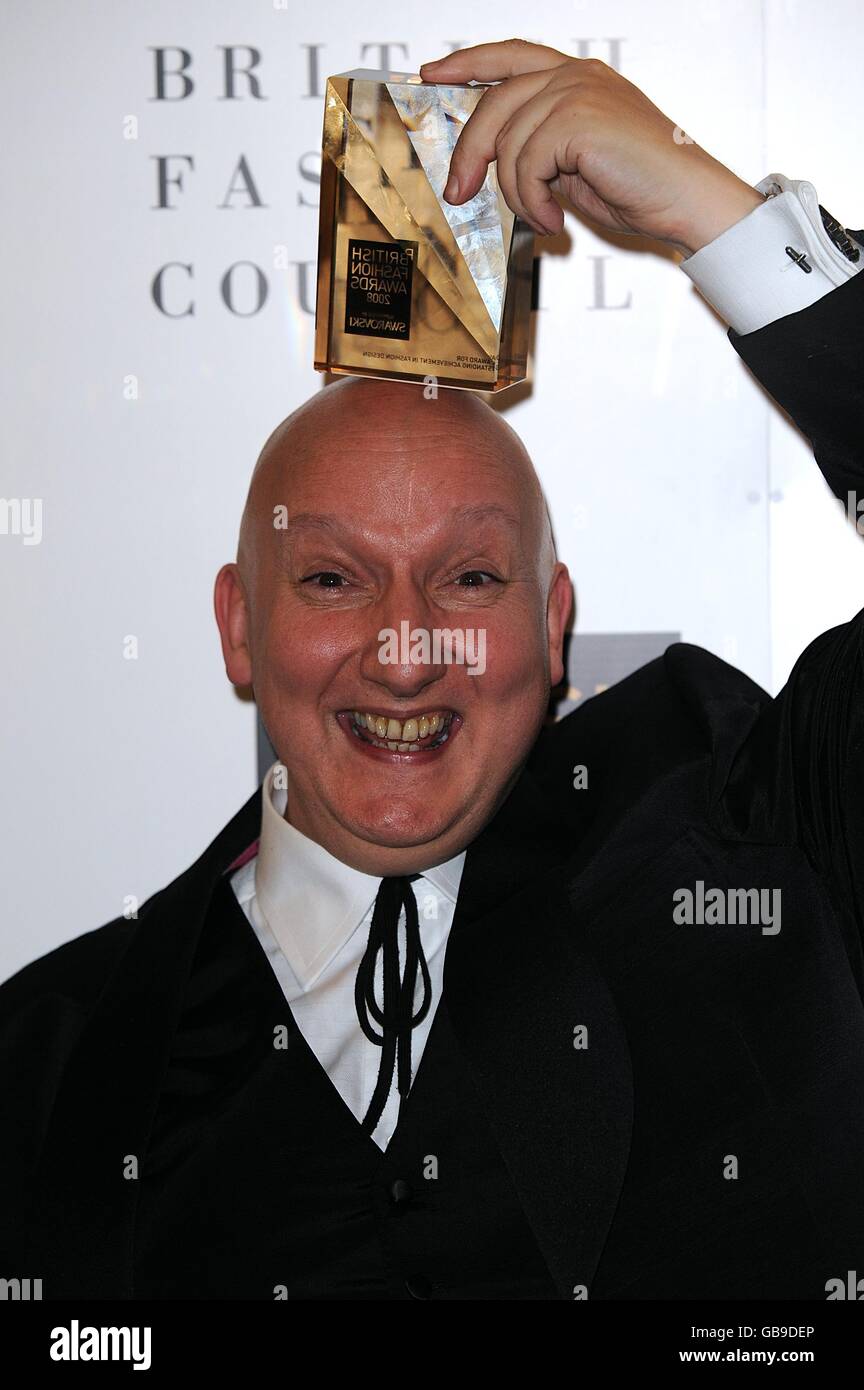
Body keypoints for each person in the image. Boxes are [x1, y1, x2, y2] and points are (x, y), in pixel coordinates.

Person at [1, 38, 863, 1301]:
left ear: (551, 623)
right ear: (240, 627)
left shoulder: (754, 829)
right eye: (334, 579)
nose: (405, 651)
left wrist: (710, 215)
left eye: (467, 578)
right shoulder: (49, 1070)